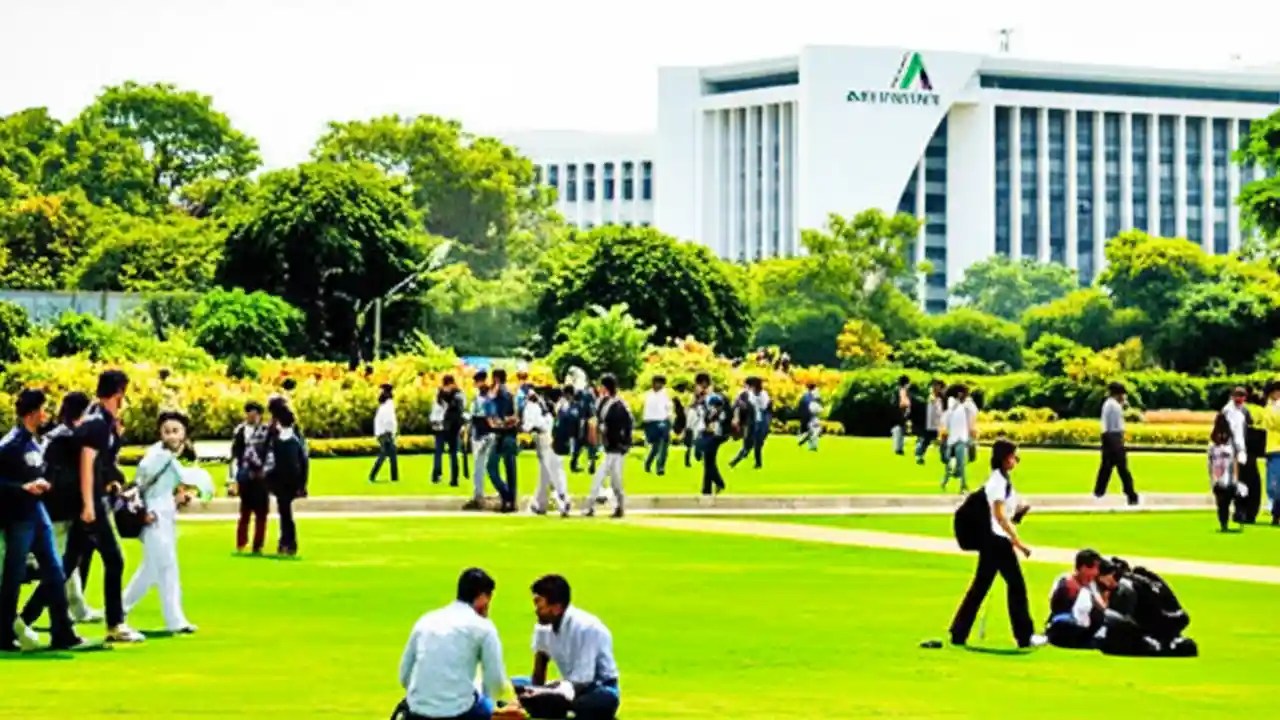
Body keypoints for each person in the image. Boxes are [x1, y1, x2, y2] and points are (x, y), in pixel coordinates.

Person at [0, 389, 83, 652]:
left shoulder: (34, 442)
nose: (45, 415)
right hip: (18, 516)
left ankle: (62, 631)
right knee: (13, 575)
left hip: (37, 512)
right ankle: (4, 633)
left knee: (55, 571)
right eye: (42, 410)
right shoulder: (10, 445)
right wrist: (22, 488)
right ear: (33, 413)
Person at [948, 439, 1046, 649]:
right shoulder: (997, 483)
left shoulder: (1001, 481)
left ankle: (958, 632)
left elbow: (1006, 513)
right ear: (1005, 459)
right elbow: (999, 516)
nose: (1016, 460)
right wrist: (1018, 543)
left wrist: (1019, 512)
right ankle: (1024, 636)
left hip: (994, 541)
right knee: (1016, 586)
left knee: (980, 587)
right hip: (997, 541)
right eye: (1013, 456)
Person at [18, 391, 100, 635]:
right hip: (59, 510)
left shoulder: (58, 436)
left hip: (57, 508)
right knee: (60, 565)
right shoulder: (68, 439)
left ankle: (73, 610)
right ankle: (32, 618)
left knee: (66, 562)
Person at [76, 370, 146, 643]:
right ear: (119, 393)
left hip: (97, 497)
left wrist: (111, 481)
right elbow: (86, 463)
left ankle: (23, 618)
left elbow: (100, 462)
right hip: (93, 501)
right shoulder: (97, 422)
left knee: (69, 563)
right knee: (114, 559)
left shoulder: (102, 420)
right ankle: (115, 624)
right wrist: (88, 504)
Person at [398, 568, 517, 720]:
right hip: (458, 713)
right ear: (483, 597)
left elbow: (404, 676)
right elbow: (496, 685)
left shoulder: (426, 620)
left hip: (417, 712)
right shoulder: (483, 627)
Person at [121, 410, 199, 634]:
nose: (171, 435)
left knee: (158, 568)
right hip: (153, 515)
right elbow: (142, 482)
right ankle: (124, 609)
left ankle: (123, 609)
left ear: (184, 433)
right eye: (167, 431)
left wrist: (179, 496)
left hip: (166, 514)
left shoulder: (173, 456)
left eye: (176, 431)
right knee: (162, 568)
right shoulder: (157, 456)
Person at [516, 575, 620, 720]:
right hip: (567, 686)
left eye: (539, 605)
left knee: (593, 703)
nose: (536, 610)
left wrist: (544, 693)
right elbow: (540, 665)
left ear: (557, 608)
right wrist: (534, 691)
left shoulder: (587, 628)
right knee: (516, 684)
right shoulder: (543, 627)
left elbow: (583, 680)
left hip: (598, 688)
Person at [584, 375, 631, 519]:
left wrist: (625, 444)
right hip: (607, 448)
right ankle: (590, 507)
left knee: (616, 482)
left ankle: (620, 507)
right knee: (598, 478)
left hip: (616, 449)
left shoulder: (619, 405)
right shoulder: (602, 403)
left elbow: (627, 426)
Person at [266, 398, 308, 556]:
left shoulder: (279, 434)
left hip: (284, 478)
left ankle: (288, 542)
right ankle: (286, 541)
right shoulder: (293, 434)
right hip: (290, 477)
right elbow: (304, 460)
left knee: (284, 511)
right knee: (285, 511)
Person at [1045, 549, 1109, 649]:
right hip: (1065, 625)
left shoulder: (1090, 585)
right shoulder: (1065, 581)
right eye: (1094, 568)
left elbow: (1102, 608)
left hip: (1082, 629)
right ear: (1083, 568)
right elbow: (1054, 605)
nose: (1096, 572)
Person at [231, 401, 271, 553]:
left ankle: (258, 545)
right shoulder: (240, 432)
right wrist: (233, 479)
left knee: (261, 513)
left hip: (261, 478)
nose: (252, 417)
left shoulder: (266, 431)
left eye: (255, 414)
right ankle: (241, 543)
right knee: (245, 512)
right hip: (245, 476)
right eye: (250, 414)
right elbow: (235, 455)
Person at [525, 387, 570, 518]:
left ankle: (562, 502)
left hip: (544, 438)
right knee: (547, 473)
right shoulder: (550, 406)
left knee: (551, 473)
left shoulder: (533, 406)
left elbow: (529, 425)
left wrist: (523, 429)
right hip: (551, 438)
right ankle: (540, 504)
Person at [1095, 382, 1140, 506]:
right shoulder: (1114, 406)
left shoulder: (1109, 404)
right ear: (1119, 394)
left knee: (1106, 467)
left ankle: (1099, 492)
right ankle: (1131, 494)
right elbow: (1116, 426)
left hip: (1109, 438)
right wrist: (1118, 443)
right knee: (1122, 468)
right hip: (1113, 438)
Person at [486, 369, 520, 513]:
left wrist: (501, 422)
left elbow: (509, 416)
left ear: (496, 379)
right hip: (506, 434)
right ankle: (510, 499)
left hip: (504, 434)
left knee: (494, 467)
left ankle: (507, 497)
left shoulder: (501, 394)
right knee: (509, 468)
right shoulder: (509, 394)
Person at [465, 371, 495, 510]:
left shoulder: (483, 397)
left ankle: (478, 496)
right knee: (482, 467)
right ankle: (479, 494)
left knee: (479, 466)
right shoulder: (488, 395)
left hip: (481, 434)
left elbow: (476, 415)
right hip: (484, 433)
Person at [1208, 413, 1243, 532]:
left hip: (1218, 478)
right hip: (1227, 478)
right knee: (1227, 502)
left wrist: (1211, 480)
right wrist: (1236, 478)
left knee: (1222, 504)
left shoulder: (1213, 443)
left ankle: (1224, 523)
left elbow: (1209, 463)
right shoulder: (1229, 442)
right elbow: (1235, 461)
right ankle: (1229, 521)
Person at [940, 385, 977, 493]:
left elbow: (972, 418)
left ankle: (962, 484)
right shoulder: (952, 405)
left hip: (961, 438)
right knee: (950, 463)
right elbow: (946, 420)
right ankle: (947, 481)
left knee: (960, 463)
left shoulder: (967, 405)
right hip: (953, 438)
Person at [697, 373, 730, 496]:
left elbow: (714, 415)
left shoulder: (714, 397)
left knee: (708, 460)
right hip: (710, 432)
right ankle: (706, 489)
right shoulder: (705, 397)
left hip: (714, 433)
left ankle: (719, 482)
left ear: (703, 384)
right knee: (708, 460)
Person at [433, 376, 467, 487]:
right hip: (455, 426)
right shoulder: (459, 394)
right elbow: (462, 408)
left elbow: (439, 407)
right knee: (453, 454)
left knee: (440, 452)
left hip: (445, 425)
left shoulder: (441, 394)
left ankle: (437, 475)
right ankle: (454, 479)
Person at [641, 375, 673, 476]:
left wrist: (669, 421)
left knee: (664, 445)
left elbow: (669, 409)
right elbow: (646, 410)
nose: (659, 385)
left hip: (663, 421)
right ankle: (648, 463)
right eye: (657, 383)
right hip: (650, 423)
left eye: (661, 383)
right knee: (655, 447)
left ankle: (660, 467)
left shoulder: (665, 395)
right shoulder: (648, 395)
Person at [371, 384, 400, 484]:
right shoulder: (389, 405)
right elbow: (389, 420)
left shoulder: (384, 405)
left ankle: (394, 477)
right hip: (386, 433)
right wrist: (392, 432)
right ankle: (373, 475)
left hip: (381, 433)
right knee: (385, 455)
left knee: (391, 454)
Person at [1261, 382, 1280, 526]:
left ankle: (1276, 513)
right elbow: (1271, 423)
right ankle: (1275, 511)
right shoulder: (1268, 409)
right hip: (1273, 449)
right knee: (1273, 485)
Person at [916, 379, 946, 465]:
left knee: (943, 440)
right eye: (934, 386)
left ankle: (944, 457)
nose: (935, 387)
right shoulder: (932, 397)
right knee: (926, 440)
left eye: (937, 386)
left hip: (940, 423)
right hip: (931, 423)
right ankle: (919, 456)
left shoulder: (942, 397)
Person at [797, 385, 823, 452]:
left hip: (810, 417)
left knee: (814, 431)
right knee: (815, 431)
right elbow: (819, 409)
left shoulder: (806, 397)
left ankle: (811, 444)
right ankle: (812, 445)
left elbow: (801, 407)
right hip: (812, 417)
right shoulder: (811, 398)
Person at [891, 375, 912, 456]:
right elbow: (904, 403)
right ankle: (898, 448)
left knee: (898, 430)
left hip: (897, 412)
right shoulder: (903, 390)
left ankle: (898, 447)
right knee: (900, 430)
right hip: (900, 413)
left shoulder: (897, 390)